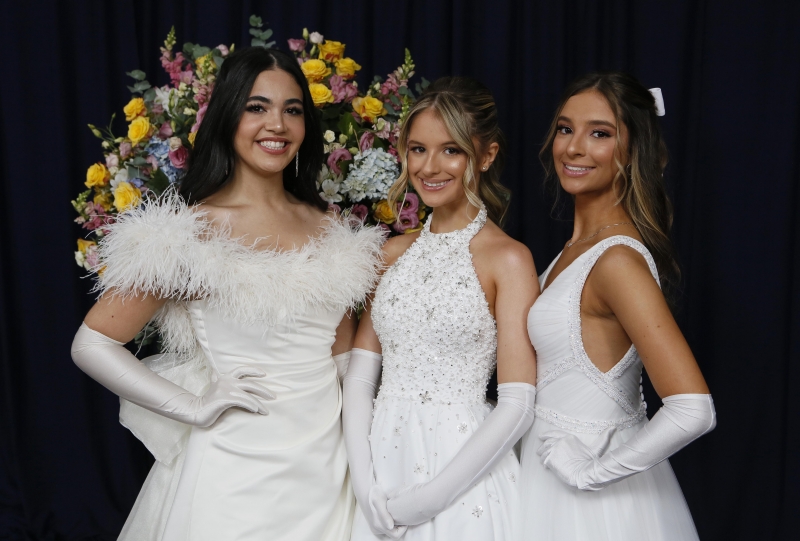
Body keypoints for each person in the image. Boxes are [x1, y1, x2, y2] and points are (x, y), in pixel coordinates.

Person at [70, 47, 385, 541]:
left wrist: (371, 452)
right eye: (256, 107)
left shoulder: (330, 226)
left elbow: (344, 359)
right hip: (235, 469)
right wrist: (192, 406)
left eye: (293, 109)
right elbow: (91, 344)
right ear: (226, 116)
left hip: (329, 468)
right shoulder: (190, 232)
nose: (276, 124)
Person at [520, 71, 716, 540]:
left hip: (590, 502)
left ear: (633, 151)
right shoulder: (578, 249)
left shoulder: (617, 261)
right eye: (566, 129)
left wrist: (592, 474)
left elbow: (694, 409)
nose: (573, 147)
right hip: (540, 474)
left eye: (600, 134)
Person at [344, 77, 539, 541]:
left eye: (450, 150)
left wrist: (430, 498)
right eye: (417, 149)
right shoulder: (390, 254)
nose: (429, 167)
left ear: (486, 156)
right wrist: (362, 480)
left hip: (462, 468)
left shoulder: (508, 259)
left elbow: (519, 403)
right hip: (379, 463)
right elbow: (359, 374)